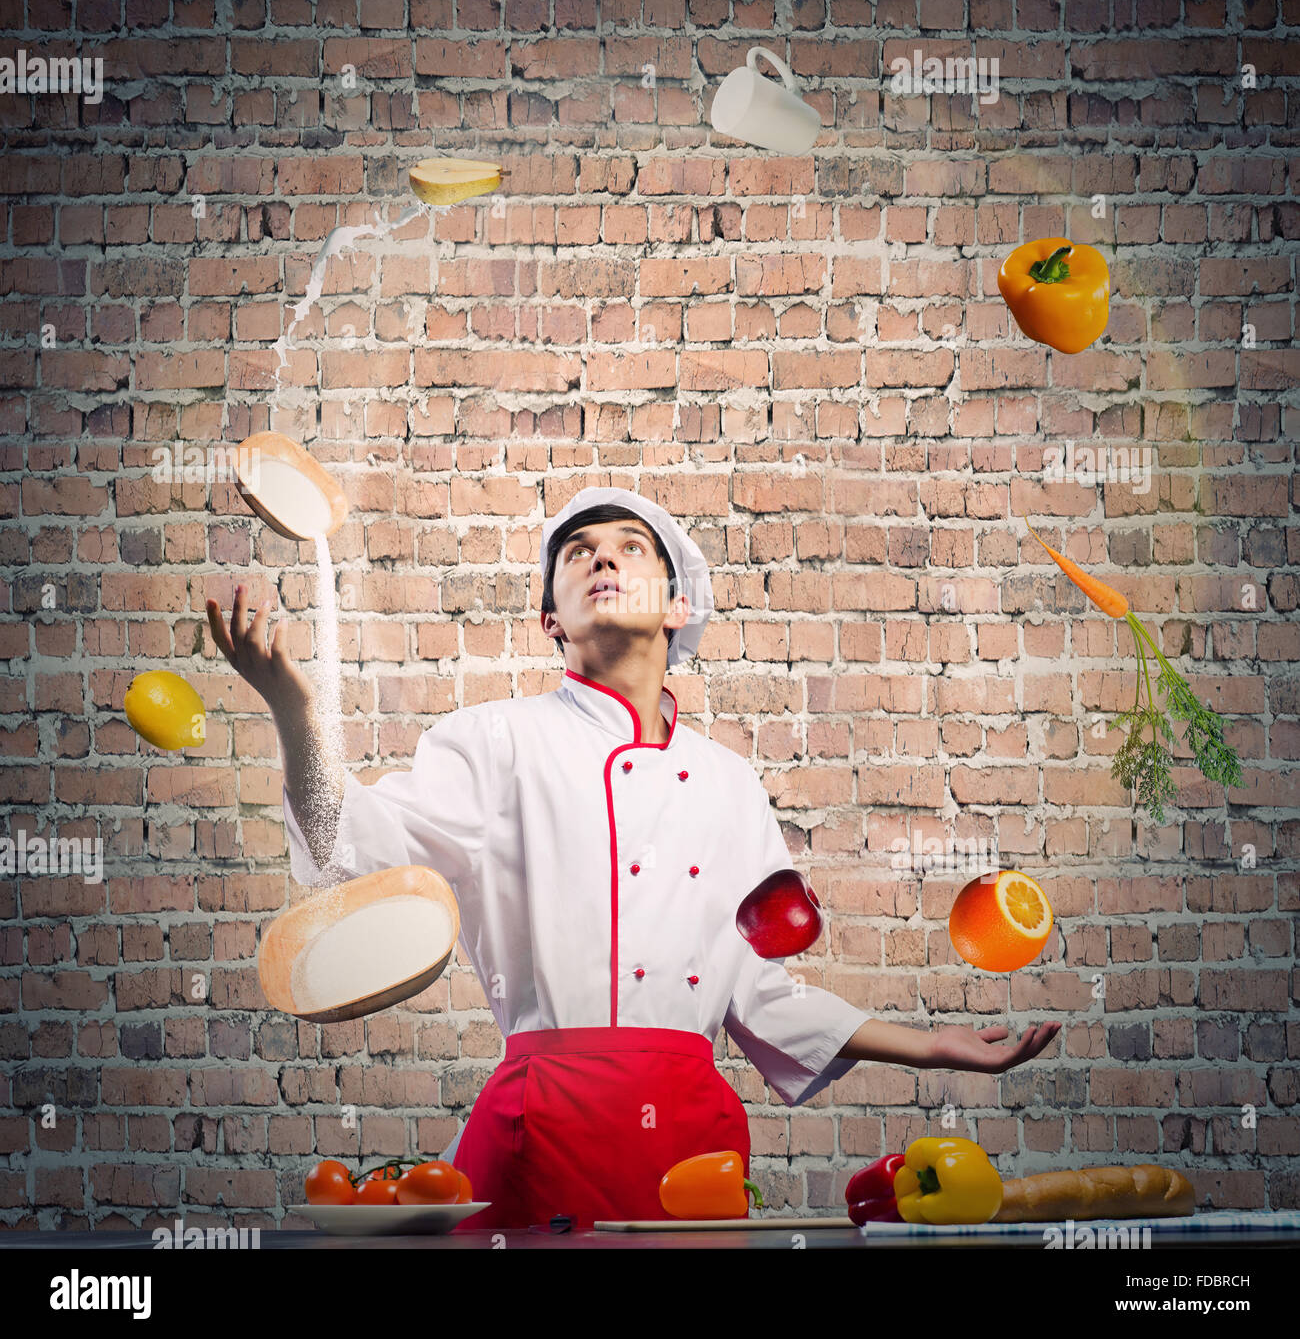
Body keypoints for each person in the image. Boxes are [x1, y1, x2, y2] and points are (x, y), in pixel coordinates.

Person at [206, 486, 1060, 1228]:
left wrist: (935, 1047)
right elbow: (352, 853)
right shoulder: (491, 743)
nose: (600, 559)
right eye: (577, 553)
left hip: (691, 1145)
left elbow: (761, 998)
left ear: (675, 606)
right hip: (538, 1130)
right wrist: (293, 711)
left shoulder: (730, 784)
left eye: (629, 548)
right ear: (551, 620)